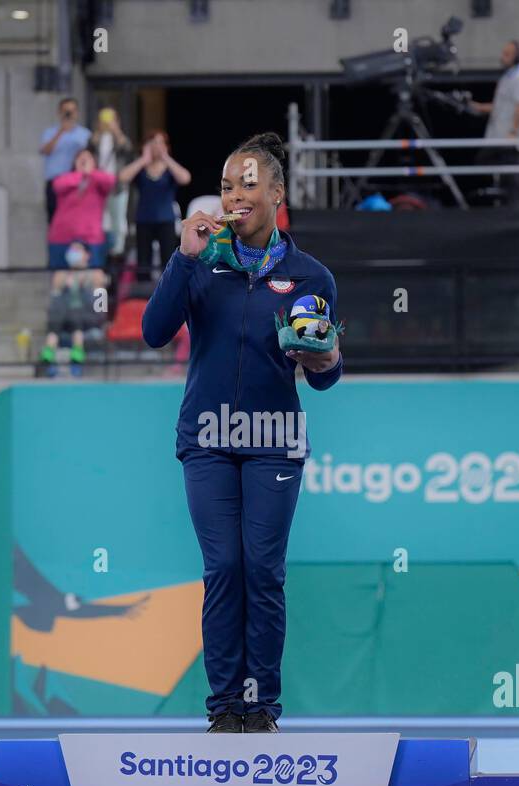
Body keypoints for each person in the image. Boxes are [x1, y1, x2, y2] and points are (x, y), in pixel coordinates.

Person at [142, 131, 343, 733]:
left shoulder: (311, 277)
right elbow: (154, 331)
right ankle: (226, 705)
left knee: (263, 568)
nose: (234, 195)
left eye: (248, 184)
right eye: (227, 185)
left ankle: (262, 706)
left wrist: (323, 357)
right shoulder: (201, 263)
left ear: (277, 193)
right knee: (223, 567)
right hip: (206, 438)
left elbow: (327, 377)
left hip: (274, 440)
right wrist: (183, 257)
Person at [468, 39, 519, 207]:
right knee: (484, 164)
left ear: (517, 57)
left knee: (511, 184)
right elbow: (500, 107)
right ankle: (496, 201)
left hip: (510, 142)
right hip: (498, 138)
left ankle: (513, 217)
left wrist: (513, 132)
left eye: (507, 54)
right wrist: (475, 107)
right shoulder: (507, 77)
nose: (502, 57)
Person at [119, 131, 191, 278]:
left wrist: (166, 157)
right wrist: (143, 160)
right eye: (153, 143)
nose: (157, 146)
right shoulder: (141, 168)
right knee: (143, 262)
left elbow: (185, 178)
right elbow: (122, 177)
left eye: (160, 143)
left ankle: (169, 290)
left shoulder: (169, 168)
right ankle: (143, 295)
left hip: (166, 219)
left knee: (168, 260)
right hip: (143, 219)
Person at [40, 240, 109, 377]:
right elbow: (55, 299)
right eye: (71, 250)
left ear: (87, 255)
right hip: (64, 317)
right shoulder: (61, 275)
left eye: (77, 250)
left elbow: (101, 306)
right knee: (56, 321)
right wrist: (65, 285)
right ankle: (48, 357)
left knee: (76, 318)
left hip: (89, 316)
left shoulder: (96, 274)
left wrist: (86, 288)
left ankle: (76, 357)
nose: (73, 254)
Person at [47, 148, 115, 268]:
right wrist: (80, 174)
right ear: (74, 162)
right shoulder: (66, 178)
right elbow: (57, 186)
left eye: (88, 158)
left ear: (94, 162)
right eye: (80, 158)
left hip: (91, 239)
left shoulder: (98, 179)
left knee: (94, 279)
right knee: (60, 278)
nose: (84, 160)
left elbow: (110, 182)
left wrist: (91, 173)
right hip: (62, 238)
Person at [89, 107, 132, 261]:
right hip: (98, 185)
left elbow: (127, 148)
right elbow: (89, 151)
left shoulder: (119, 138)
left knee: (118, 220)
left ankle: (118, 250)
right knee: (100, 220)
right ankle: (100, 247)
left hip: (117, 185)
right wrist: (99, 132)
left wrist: (115, 130)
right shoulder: (96, 138)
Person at [39, 97, 91, 224]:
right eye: (65, 111)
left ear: (77, 113)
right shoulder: (50, 132)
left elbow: (89, 157)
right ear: (59, 113)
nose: (69, 114)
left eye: (72, 111)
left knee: (76, 221)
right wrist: (60, 132)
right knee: (55, 221)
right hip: (55, 182)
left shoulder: (85, 134)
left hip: (78, 183)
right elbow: (45, 151)